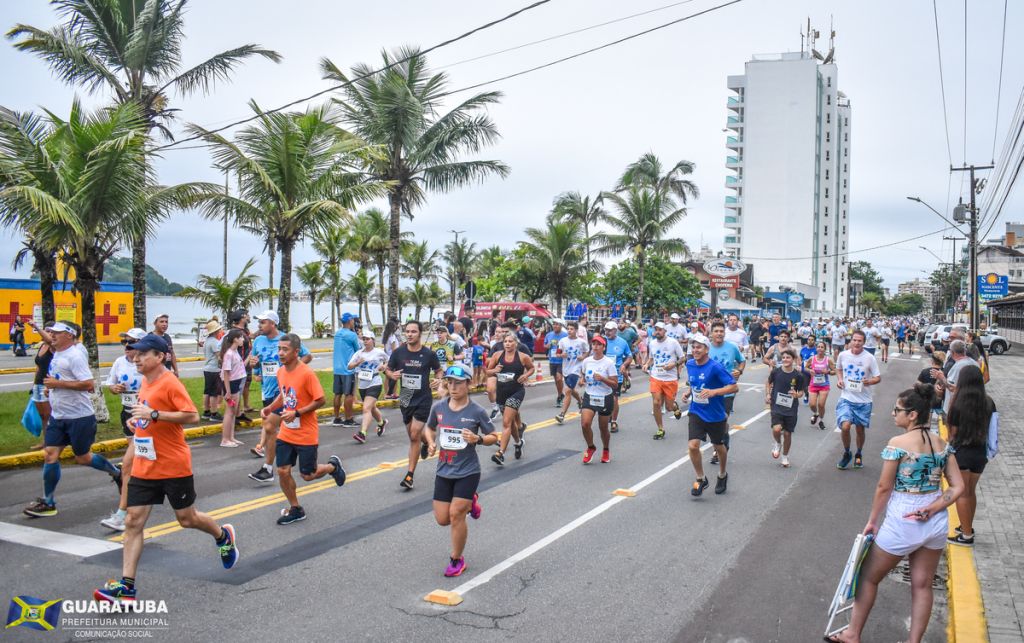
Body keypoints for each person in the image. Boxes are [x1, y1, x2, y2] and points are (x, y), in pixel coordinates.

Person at [93, 333, 239, 603]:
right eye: (134, 353)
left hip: (172, 465)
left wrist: (155, 415)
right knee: (133, 521)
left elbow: (192, 415)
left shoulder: (170, 382)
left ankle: (222, 535)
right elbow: (148, 415)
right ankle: (127, 589)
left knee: (187, 519)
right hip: (145, 464)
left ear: (159, 357)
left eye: (142, 354)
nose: (135, 358)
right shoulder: (145, 382)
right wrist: (138, 424)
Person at [828, 383, 964, 643]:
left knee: (868, 576)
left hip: (905, 516)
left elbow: (884, 487)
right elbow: (958, 487)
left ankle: (853, 633)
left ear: (912, 415)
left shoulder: (898, 443)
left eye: (897, 410)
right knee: (922, 584)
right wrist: (934, 507)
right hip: (934, 518)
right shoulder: (941, 443)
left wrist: (872, 521)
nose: (893, 414)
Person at [23, 322, 122, 517]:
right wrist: (50, 387)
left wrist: (57, 383)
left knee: (83, 457)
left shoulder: (75, 356)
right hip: (59, 416)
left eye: (57, 333)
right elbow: (57, 376)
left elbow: (87, 384)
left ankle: (117, 472)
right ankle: (48, 502)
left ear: (68, 336)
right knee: (50, 454)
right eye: (52, 333)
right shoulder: (57, 353)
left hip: (80, 417)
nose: (53, 336)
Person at [268, 334, 347, 525]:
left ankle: (332, 467)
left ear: (296, 352)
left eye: (285, 349)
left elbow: (320, 400)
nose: (280, 353)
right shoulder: (281, 372)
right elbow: (284, 395)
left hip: (306, 433)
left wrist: (297, 413)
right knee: (283, 470)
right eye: (279, 349)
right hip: (286, 432)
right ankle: (296, 508)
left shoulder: (306, 373)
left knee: (307, 475)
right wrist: (270, 408)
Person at [425, 365, 495, 577]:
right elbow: (429, 428)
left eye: (458, 382)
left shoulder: (477, 412)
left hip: (468, 471)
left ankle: (457, 559)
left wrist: (478, 439)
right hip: (444, 470)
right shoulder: (438, 408)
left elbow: (494, 437)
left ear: (468, 383)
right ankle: (471, 502)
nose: (453, 387)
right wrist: (430, 442)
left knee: (456, 515)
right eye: (450, 382)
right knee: (442, 519)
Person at [246, 311, 312, 484]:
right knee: (275, 429)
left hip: (284, 390)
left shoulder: (286, 339)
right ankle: (280, 464)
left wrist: (294, 371)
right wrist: (255, 369)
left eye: (263, 322)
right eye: (258, 322)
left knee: (269, 426)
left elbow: (307, 355)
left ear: (273, 323)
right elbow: (256, 361)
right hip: (267, 389)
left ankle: (269, 468)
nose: (259, 325)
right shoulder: (259, 341)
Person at [386, 320, 444, 490]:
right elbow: (388, 370)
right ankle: (426, 442)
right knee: (413, 435)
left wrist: (438, 379)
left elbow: (438, 370)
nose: (409, 334)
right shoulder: (398, 353)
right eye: (407, 331)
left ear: (420, 334)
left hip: (423, 398)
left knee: (413, 435)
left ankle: (410, 475)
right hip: (405, 396)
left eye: (413, 331)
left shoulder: (428, 354)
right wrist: (392, 375)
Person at [99, 328, 147, 531]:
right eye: (125, 343)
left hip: (148, 419)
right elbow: (110, 382)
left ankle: (127, 511)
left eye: (132, 343)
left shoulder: (151, 365)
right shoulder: (120, 362)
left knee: (133, 465)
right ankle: (126, 512)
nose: (127, 348)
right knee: (132, 464)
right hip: (129, 414)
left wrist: (152, 412)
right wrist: (114, 388)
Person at [682, 334, 738, 496]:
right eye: (693, 347)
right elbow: (695, 383)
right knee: (693, 446)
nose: (695, 350)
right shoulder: (690, 364)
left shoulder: (715, 367)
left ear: (707, 349)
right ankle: (701, 478)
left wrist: (714, 392)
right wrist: (688, 393)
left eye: (699, 347)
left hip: (715, 415)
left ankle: (722, 474)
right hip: (696, 411)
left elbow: (734, 387)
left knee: (719, 447)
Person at [945, 365, 994, 547]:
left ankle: (966, 536)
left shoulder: (957, 403)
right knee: (970, 492)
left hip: (962, 452)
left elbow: (952, 434)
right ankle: (967, 527)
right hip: (980, 453)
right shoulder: (989, 402)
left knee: (962, 494)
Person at [485, 332, 535, 465]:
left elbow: (531, 368)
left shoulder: (523, 357)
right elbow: (487, 371)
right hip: (502, 393)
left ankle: (500, 453)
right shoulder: (497, 355)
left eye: (510, 341)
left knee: (506, 422)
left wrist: (525, 376)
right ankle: (518, 443)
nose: (507, 344)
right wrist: (495, 370)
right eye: (505, 341)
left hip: (516, 392)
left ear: (516, 343)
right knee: (511, 424)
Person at [835, 330, 882, 470]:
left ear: (864, 342)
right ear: (851, 340)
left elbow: (878, 377)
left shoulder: (869, 358)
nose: (856, 343)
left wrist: (869, 381)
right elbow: (838, 369)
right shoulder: (843, 355)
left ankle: (859, 453)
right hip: (846, 398)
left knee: (860, 430)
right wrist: (839, 380)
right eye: (854, 340)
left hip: (864, 401)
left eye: (859, 341)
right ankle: (847, 452)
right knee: (845, 426)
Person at [576, 336, 618, 464]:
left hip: (605, 398)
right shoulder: (587, 361)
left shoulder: (608, 363)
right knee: (585, 424)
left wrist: (603, 379)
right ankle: (591, 447)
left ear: (603, 347)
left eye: (599, 344)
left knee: (603, 428)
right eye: (593, 344)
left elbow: (615, 384)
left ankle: (606, 450)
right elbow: (582, 375)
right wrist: (582, 380)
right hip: (590, 396)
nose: (595, 346)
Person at [707, 320, 745, 463]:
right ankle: (719, 443)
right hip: (710, 391)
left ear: (725, 333)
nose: (719, 334)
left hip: (727, 390)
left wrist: (739, 370)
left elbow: (741, 361)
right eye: (716, 331)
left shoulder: (732, 347)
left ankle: (719, 449)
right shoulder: (706, 348)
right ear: (711, 334)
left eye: (721, 331)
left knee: (722, 418)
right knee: (713, 422)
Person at [643, 322, 684, 440]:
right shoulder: (652, 343)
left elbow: (682, 358)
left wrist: (674, 364)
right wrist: (646, 364)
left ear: (665, 331)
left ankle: (675, 406)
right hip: (656, 376)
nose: (657, 332)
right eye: (656, 329)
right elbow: (652, 358)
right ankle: (660, 429)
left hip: (670, 378)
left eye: (660, 330)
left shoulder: (673, 342)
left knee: (669, 407)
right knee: (656, 403)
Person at [347, 328, 389, 443]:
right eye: (363, 339)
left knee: (366, 408)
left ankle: (362, 433)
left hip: (375, 382)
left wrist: (384, 366)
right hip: (363, 384)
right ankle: (381, 422)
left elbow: (388, 360)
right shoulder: (359, 353)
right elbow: (349, 366)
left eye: (367, 339)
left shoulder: (378, 352)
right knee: (371, 407)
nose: (365, 341)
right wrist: (357, 363)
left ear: (373, 340)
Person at [765, 348, 805, 468]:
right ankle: (777, 443)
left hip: (791, 408)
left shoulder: (798, 375)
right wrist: (767, 394)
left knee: (787, 434)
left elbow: (802, 391)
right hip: (776, 406)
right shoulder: (776, 372)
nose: (785, 360)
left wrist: (797, 395)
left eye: (788, 358)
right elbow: (768, 383)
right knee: (777, 429)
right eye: (783, 358)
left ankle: (785, 456)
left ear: (793, 359)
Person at [25, 318, 54, 451]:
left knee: (49, 415)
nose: (47, 333)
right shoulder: (42, 346)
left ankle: (52, 442)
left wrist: (36, 326)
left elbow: (49, 340)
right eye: (46, 330)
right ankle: (45, 441)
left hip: (47, 385)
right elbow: (38, 366)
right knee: (42, 416)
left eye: (50, 331)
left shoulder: (53, 346)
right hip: (38, 384)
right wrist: (33, 384)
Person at [555, 321, 590, 424]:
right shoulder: (562, 341)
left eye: (572, 329)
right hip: (566, 368)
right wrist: (562, 355)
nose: (569, 331)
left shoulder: (581, 342)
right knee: (571, 390)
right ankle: (581, 402)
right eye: (568, 329)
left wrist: (583, 357)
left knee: (568, 391)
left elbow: (587, 350)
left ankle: (562, 415)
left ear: (576, 330)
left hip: (576, 369)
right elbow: (557, 353)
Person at [602, 322, 633, 433]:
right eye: (606, 330)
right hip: (602, 375)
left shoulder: (622, 342)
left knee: (614, 398)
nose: (607, 332)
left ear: (615, 330)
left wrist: (624, 365)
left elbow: (629, 356)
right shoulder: (602, 341)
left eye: (610, 330)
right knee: (605, 399)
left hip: (616, 376)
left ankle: (614, 421)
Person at [219, 329, 247, 447]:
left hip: (236, 382)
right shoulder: (229, 354)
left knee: (234, 411)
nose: (243, 340)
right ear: (235, 339)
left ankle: (231, 437)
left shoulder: (235, 352)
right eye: (241, 337)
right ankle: (225, 439)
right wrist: (228, 391)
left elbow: (239, 367)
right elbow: (226, 372)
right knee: (229, 412)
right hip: (231, 384)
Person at [331, 313, 360, 427]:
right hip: (348, 369)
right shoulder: (352, 335)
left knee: (337, 393)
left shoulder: (337, 333)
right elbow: (358, 350)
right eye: (353, 320)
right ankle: (349, 419)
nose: (354, 322)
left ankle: (337, 418)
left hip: (337, 368)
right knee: (349, 394)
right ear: (350, 321)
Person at [227, 309, 255, 418]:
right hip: (240, 364)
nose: (248, 317)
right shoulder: (235, 332)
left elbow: (252, 336)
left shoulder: (244, 330)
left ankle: (239, 412)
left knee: (243, 386)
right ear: (242, 317)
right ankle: (235, 414)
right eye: (246, 315)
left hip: (245, 363)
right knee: (237, 389)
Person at [805, 340, 835, 430]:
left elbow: (835, 371)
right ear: (816, 348)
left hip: (824, 385)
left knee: (821, 405)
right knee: (812, 405)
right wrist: (810, 370)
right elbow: (806, 367)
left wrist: (828, 371)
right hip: (813, 384)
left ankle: (820, 420)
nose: (820, 349)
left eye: (822, 347)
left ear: (825, 349)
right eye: (818, 347)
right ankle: (816, 414)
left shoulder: (828, 360)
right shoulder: (812, 359)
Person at [201, 320, 225, 422]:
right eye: (219, 330)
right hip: (214, 369)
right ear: (216, 331)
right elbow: (219, 356)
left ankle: (206, 411)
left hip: (207, 368)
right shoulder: (215, 342)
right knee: (214, 392)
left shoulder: (207, 340)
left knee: (207, 391)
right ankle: (214, 413)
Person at [544, 319, 568, 407]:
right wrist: (548, 346)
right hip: (552, 359)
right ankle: (560, 394)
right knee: (556, 380)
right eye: (554, 324)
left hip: (561, 360)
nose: (555, 326)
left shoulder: (565, 335)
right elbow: (545, 345)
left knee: (559, 378)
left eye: (557, 324)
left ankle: (560, 395)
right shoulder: (549, 335)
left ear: (561, 326)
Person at [381, 318, 403, 400]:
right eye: (395, 327)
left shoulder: (385, 335)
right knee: (395, 376)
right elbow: (394, 350)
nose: (396, 328)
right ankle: (394, 393)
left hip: (387, 357)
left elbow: (385, 348)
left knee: (387, 376)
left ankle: (386, 393)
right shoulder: (392, 336)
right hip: (393, 358)